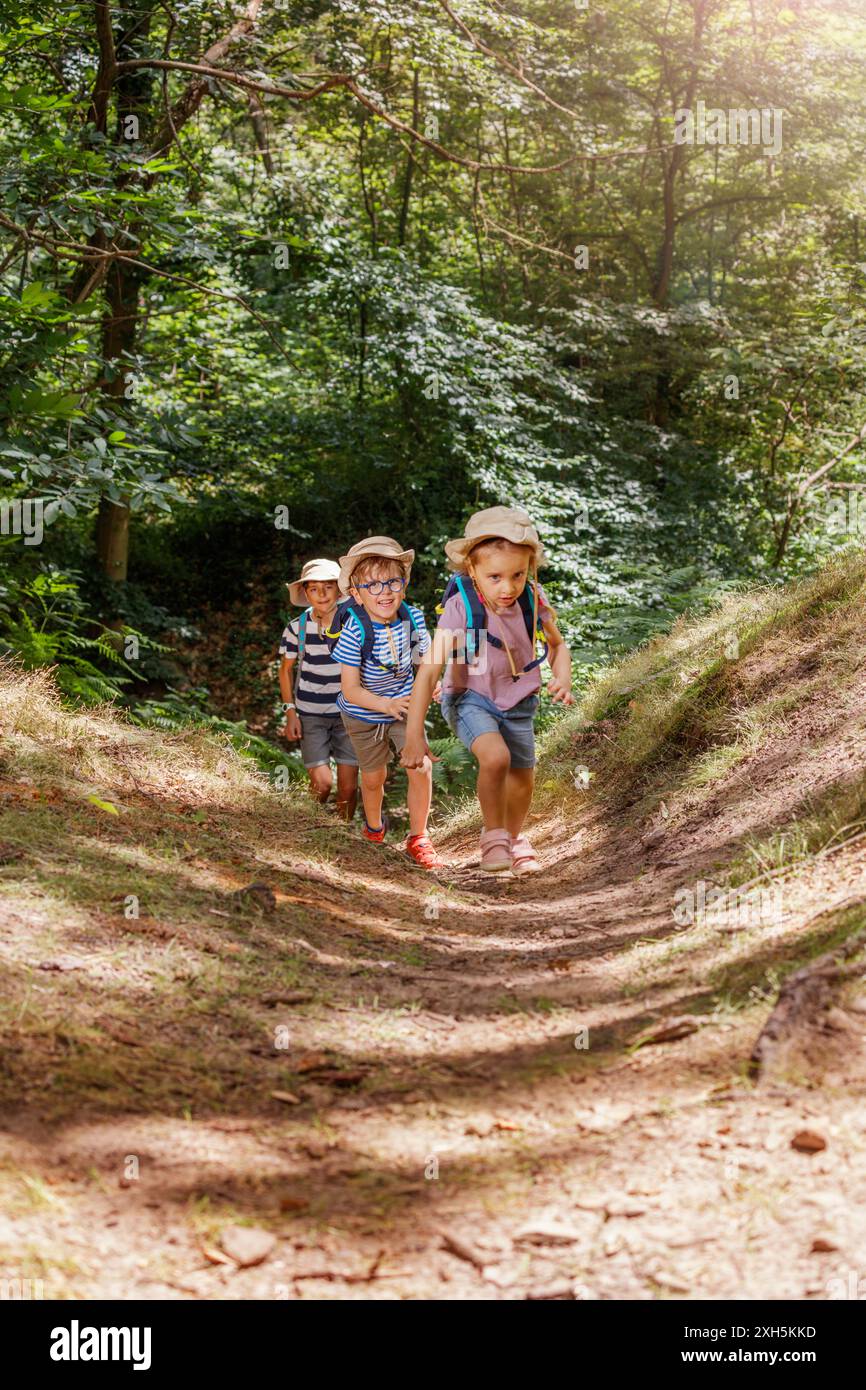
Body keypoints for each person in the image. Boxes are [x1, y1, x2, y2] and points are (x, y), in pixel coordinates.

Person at [401, 506, 574, 874]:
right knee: (496, 758)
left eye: (517, 575)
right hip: (468, 697)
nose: (507, 587)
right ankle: (493, 838)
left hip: (520, 700)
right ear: (472, 571)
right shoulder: (460, 607)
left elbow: (557, 646)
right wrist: (414, 736)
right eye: (494, 576)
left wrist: (562, 677)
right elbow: (430, 669)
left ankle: (513, 839)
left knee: (523, 776)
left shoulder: (532, 598)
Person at [331, 536, 443, 870]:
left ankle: (418, 837)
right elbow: (350, 690)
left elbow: (423, 661)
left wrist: (431, 685)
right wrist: (386, 705)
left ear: (404, 586)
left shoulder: (413, 619)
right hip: (362, 713)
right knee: (373, 778)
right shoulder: (355, 631)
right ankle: (374, 828)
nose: (385, 591)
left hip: (405, 706)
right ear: (356, 594)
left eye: (393, 581)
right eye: (373, 584)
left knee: (421, 765)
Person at [278, 558, 359, 819]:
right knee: (322, 784)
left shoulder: (353, 624)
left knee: (348, 788)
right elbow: (285, 670)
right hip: (311, 714)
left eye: (328, 587)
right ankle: (309, 828)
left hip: (349, 713)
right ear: (305, 592)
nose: (322, 594)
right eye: (314, 588)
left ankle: (343, 839)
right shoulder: (296, 628)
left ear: (339, 590)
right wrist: (290, 712)